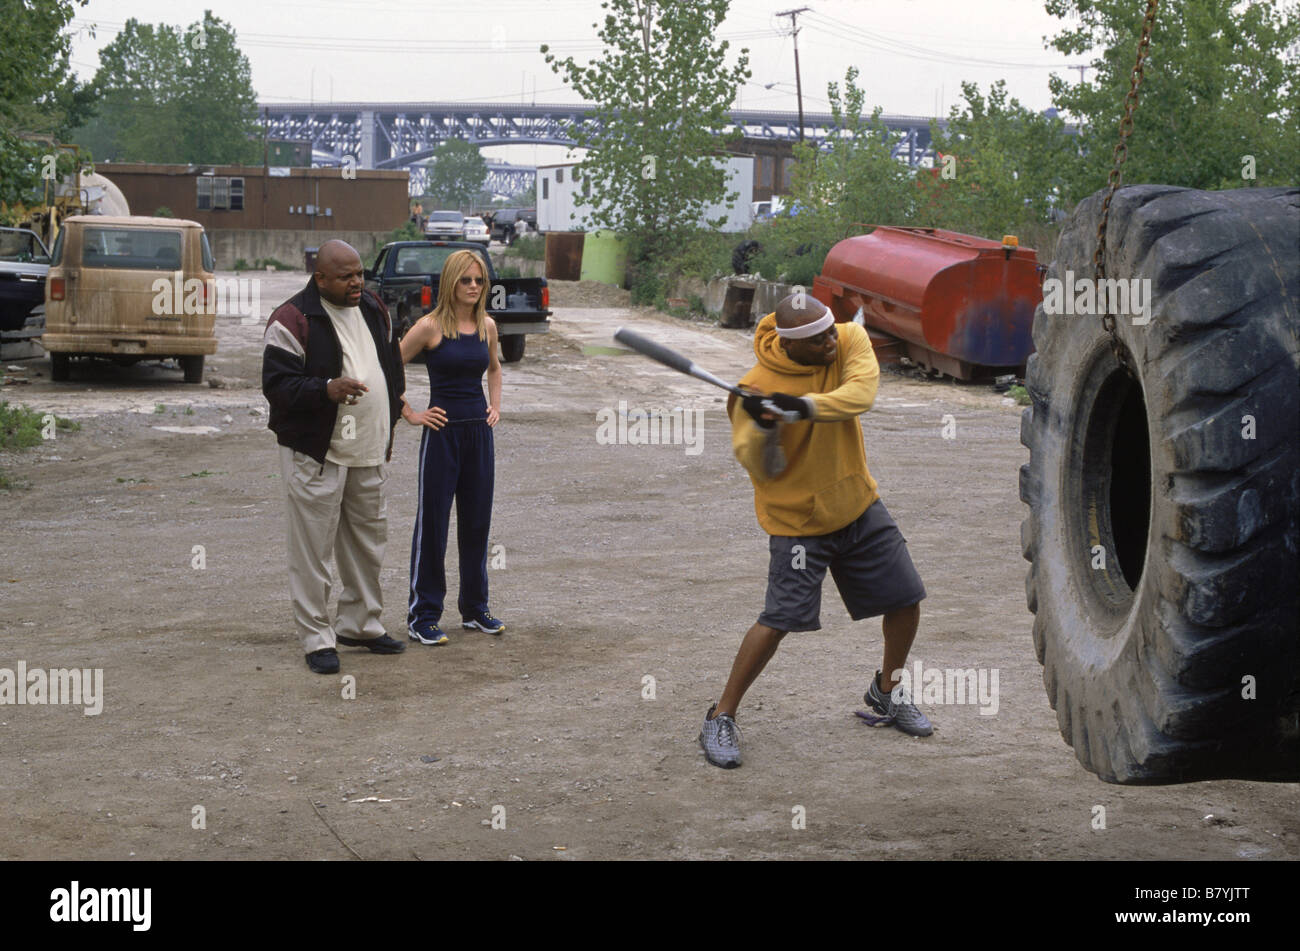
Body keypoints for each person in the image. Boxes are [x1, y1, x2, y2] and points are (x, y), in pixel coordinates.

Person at [699, 293, 932, 769]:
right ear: (791, 346)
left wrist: (801, 407)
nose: (830, 342)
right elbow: (763, 469)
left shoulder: (849, 339)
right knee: (778, 621)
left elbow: (860, 397)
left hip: (858, 504)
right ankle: (720, 716)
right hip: (797, 523)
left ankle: (886, 690)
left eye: (830, 331)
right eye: (817, 340)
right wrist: (767, 430)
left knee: (906, 599)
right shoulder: (754, 388)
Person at [262, 240, 409, 674]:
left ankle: (361, 624)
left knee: (367, 544)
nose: (357, 282)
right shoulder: (291, 320)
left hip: (367, 448)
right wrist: (324, 389)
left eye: (360, 273)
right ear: (320, 277)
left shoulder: (373, 308)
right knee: (312, 549)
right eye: (346, 276)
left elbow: (391, 364)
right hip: (317, 451)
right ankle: (315, 637)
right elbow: (277, 386)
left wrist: (395, 408)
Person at [401, 249, 504, 645]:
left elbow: (494, 369)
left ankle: (475, 609)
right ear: (450, 283)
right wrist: (410, 413)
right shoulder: (429, 327)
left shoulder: (487, 326)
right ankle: (422, 615)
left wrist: (495, 405)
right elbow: (391, 364)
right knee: (434, 525)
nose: (474, 287)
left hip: (479, 434)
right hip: (442, 436)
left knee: (477, 523)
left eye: (479, 280)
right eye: (466, 280)